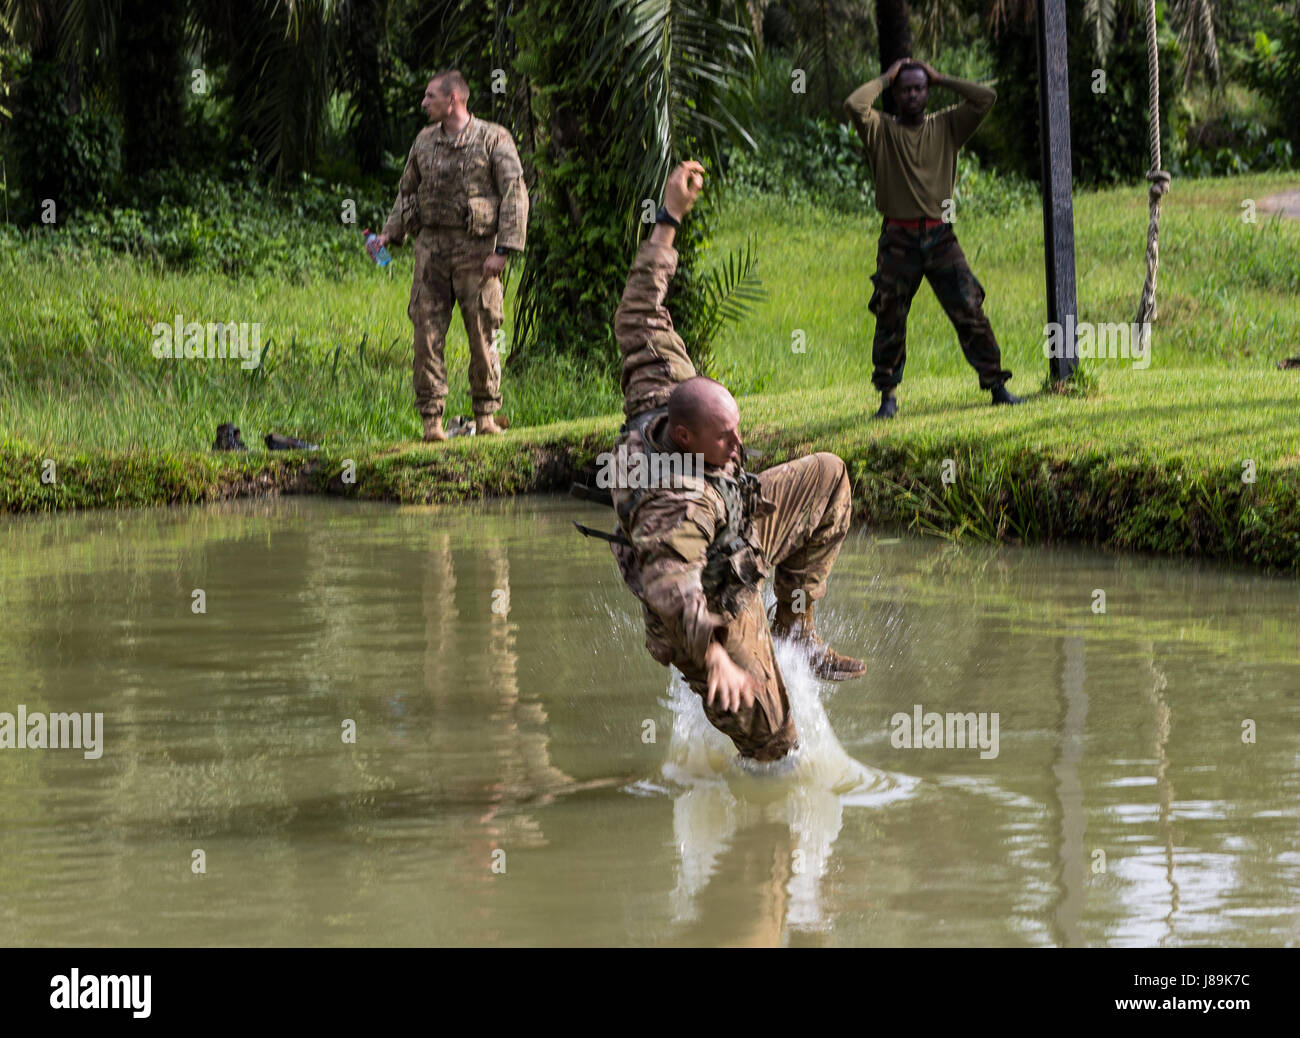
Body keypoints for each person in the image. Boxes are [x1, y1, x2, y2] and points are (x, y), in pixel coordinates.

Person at [606, 161, 865, 765]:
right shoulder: (677, 502)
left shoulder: (662, 389)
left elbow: (639, 309)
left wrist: (669, 213)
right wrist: (716, 655)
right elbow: (669, 586)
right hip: (706, 603)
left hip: (737, 532)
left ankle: (795, 629)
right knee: (777, 744)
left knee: (828, 479)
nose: (740, 446)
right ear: (688, 437)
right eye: (726, 440)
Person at [844, 58, 1023, 419]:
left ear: (928, 92)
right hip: (898, 238)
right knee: (890, 316)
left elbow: (985, 98)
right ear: (895, 93)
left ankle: (996, 384)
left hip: (940, 235)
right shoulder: (880, 129)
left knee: (970, 309)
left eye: (920, 88)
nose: (913, 95)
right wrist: (885, 77)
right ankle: (888, 396)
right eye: (906, 88)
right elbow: (855, 104)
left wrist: (942, 78)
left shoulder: (947, 126)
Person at [377, 70, 529, 442]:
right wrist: (389, 233)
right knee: (426, 334)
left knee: (482, 334)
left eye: (430, 97)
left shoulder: (494, 138)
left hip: (476, 253)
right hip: (431, 252)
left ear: (454, 100)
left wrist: (504, 250)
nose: (424, 103)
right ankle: (432, 421)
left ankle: (486, 413)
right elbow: (407, 192)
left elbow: (514, 194)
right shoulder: (424, 141)